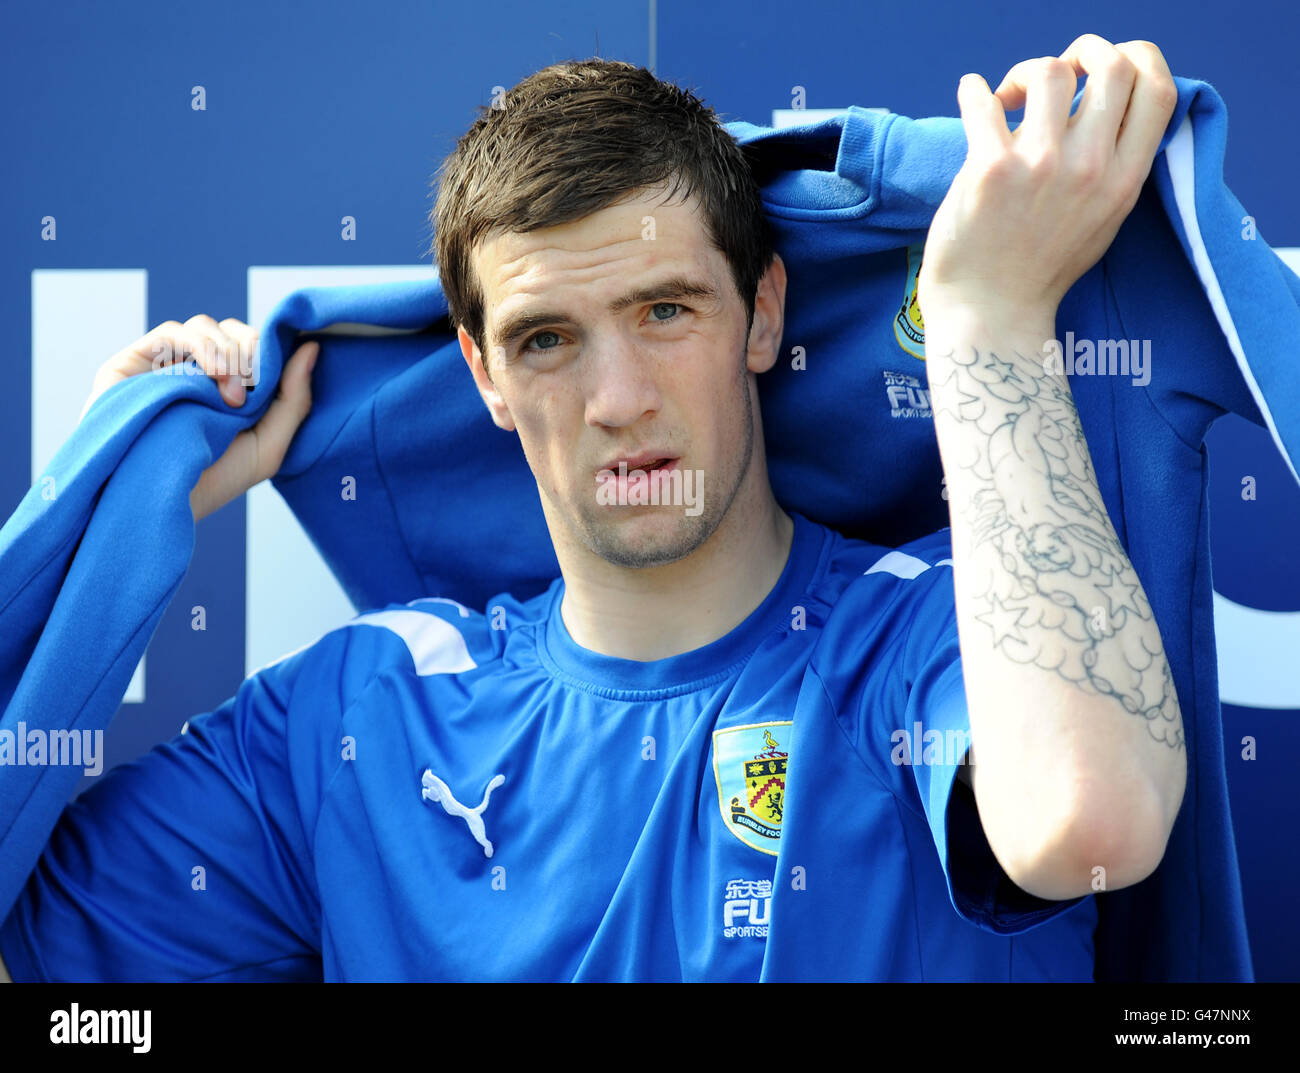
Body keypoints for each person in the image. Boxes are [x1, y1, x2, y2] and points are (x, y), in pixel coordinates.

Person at [0, 35, 1186, 982]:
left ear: (763, 315)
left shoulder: (930, 637)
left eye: (667, 310)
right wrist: (118, 515)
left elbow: (1091, 824)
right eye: (547, 339)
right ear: (484, 374)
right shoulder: (353, 716)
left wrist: (985, 321)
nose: (618, 400)